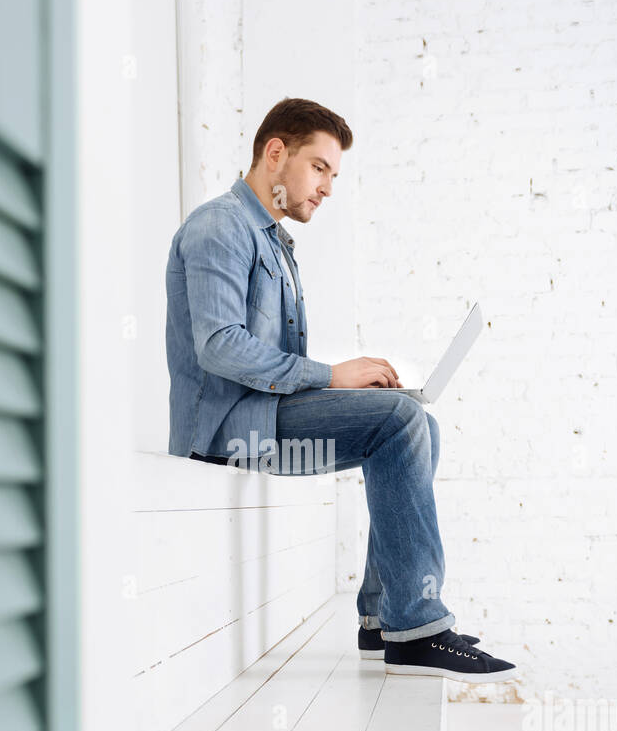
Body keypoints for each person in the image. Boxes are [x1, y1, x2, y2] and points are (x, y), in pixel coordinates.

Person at [165, 96, 516, 682]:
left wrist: (342, 382)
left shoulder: (274, 240)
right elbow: (219, 346)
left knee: (415, 421)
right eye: (320, 167)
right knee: (399, 422)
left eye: (334, 174)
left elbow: (270, 365)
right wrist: (333, 375)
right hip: (230, 432)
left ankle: (384, 619)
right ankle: (418, 627)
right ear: (275, 153)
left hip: (263, 417)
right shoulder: (221, 226)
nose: (328, 186)